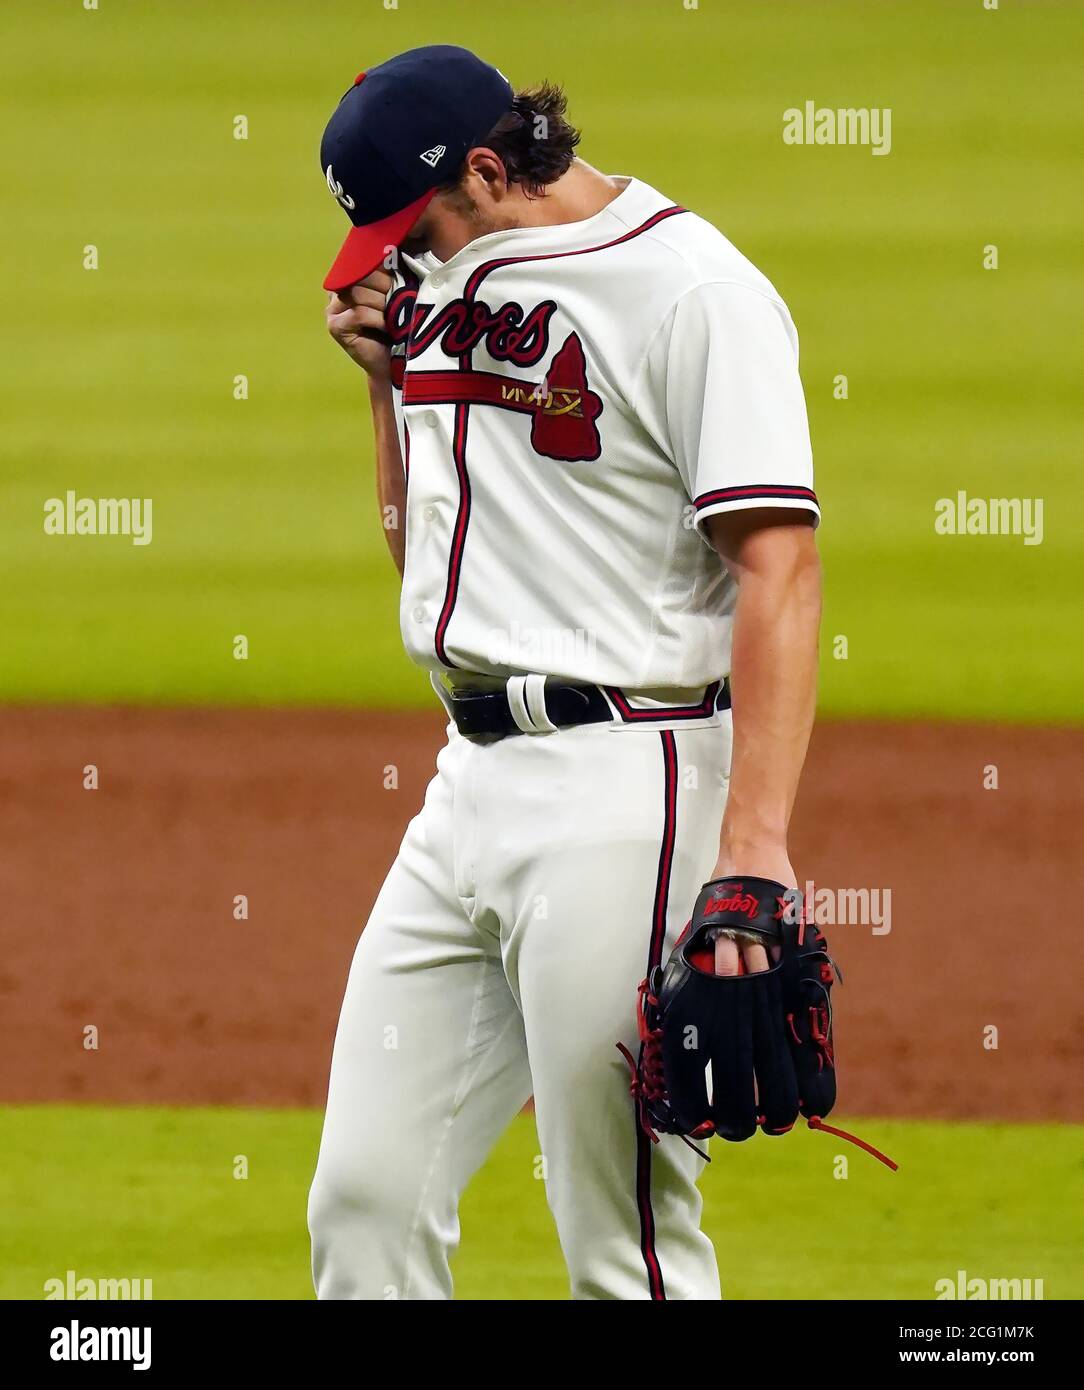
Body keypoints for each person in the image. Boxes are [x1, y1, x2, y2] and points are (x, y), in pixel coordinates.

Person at [308, 45, 821, 1300]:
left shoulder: (693, 291)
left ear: (489, 170)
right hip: (463, 789)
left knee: (621, 1234)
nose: (396, 259)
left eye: (408, 224)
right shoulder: (438, 290)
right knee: (365, 1197)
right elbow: (426, 566)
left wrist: (752, 844)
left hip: (626, 780)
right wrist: (386, 395)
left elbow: (779, 567)